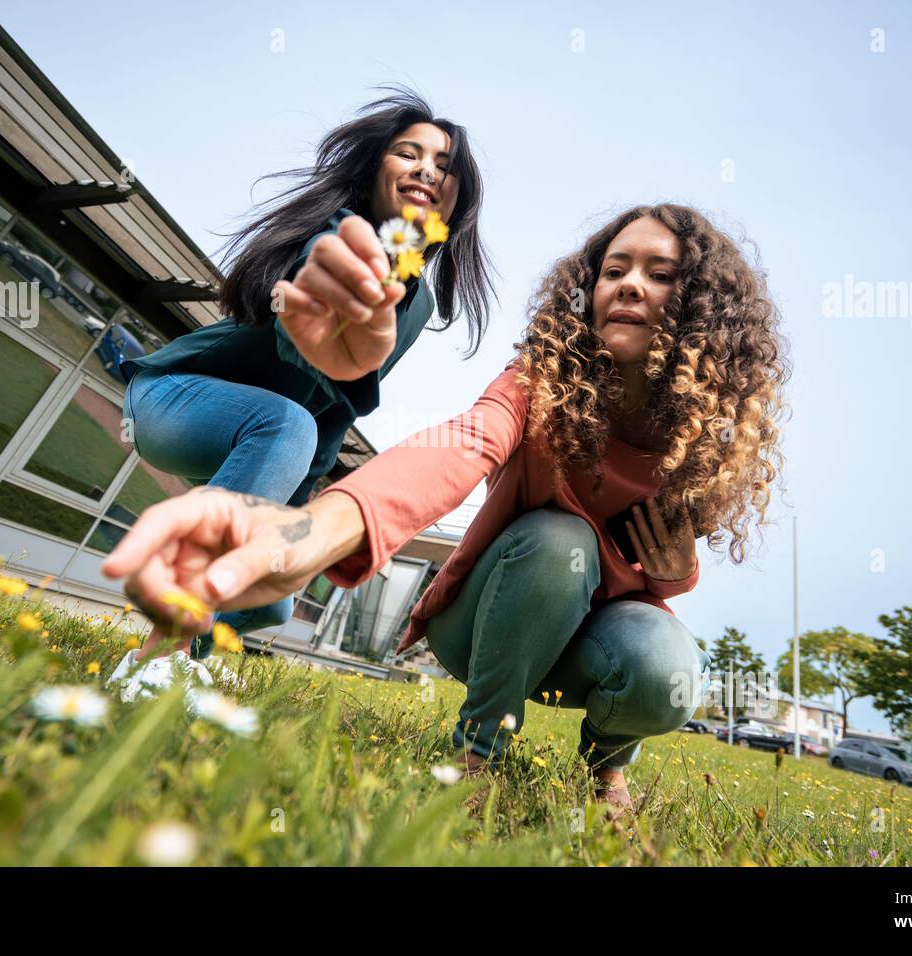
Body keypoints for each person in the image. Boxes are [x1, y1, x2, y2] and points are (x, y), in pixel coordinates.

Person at [102, 204, 789, 814]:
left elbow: (652, 570)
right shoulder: (542, 378)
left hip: (586, 647)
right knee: (560, 540)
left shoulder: (697, 440)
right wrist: (319, 529)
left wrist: (677, 577)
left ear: (700, 304)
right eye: (615, 269)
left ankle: (606, 770)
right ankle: (479, 750)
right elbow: (461, 446)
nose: (631, 284)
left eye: (660, 273)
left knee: (668, 671)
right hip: (491, 626)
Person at [106, 86, 495, 699]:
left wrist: (296, 515)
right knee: (286, 425)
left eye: (444, 164)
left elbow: (332, 409)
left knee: (275, 598)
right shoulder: (340, 231)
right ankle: (162, 650)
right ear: (373, 171)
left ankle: (195, 659)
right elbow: (321, 265)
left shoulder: (415, 296)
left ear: (458, 195)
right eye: (407, 154)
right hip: (169, 399)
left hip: (267, 428)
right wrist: (313, 306)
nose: (427, 169)